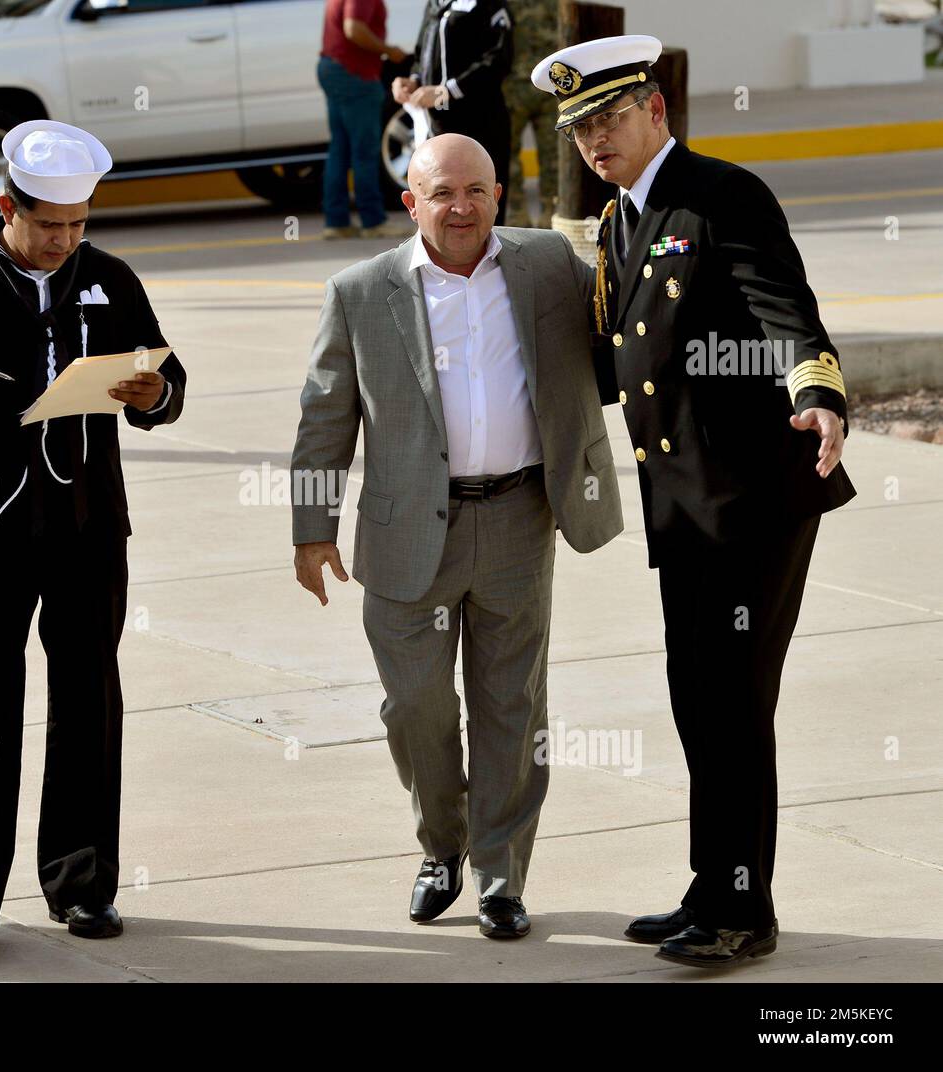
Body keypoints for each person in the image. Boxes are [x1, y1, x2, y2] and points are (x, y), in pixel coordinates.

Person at [531, 35, 856, 967]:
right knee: (698, 701)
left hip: (753, 498)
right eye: (581, 127)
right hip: (685, 508)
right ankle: (712, 889)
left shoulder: (721, 195)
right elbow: (619, 357)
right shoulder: (624, 218)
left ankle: (743, 913)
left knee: (735, 705)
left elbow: (784, 305)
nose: (596, 139)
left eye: (610, 117)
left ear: (656, 111)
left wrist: (815, 388)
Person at [291, 133, 622, 939]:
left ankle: (501, 876)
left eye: (476, 190)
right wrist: (312, 526)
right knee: (416, 708)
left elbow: (622, 340)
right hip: (406, 533)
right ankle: (442, 846)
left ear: (499, 196)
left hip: (519, 518)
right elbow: (324, 416)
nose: (461, 207)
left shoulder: (547, 265)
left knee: (512, 705)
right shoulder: (361, 291)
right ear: (412, 202)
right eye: (442, 193)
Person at [0, 120, 186, 956]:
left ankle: (83, 882)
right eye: (47, 225)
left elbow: (173, 390)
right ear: (5, 207)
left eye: (77, 226)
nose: (63, 242)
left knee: (91, 700)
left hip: (91, 524)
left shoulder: (109, 278)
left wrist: (148, 392)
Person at [392, 0, 514, 224]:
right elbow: (423, 54)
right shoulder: (435, 3)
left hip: (479, 121)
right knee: (441, 198)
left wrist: (446, 91)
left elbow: (499, 59)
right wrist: (413, 80)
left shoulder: (488, 4)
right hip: (438, 123)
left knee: (482, 205)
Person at [317, 0, 413, 239]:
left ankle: (336, 222)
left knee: (340, 148)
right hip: (354, 73)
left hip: (334, 67)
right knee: (364, 151)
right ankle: (373, 221)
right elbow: (353, 28)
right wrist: (389, 50)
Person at [501, 0, 558, 227]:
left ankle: (551, 218)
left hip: (549, 87)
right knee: (508, 158)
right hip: (513, 87)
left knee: (554, 157)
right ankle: (516, 219)